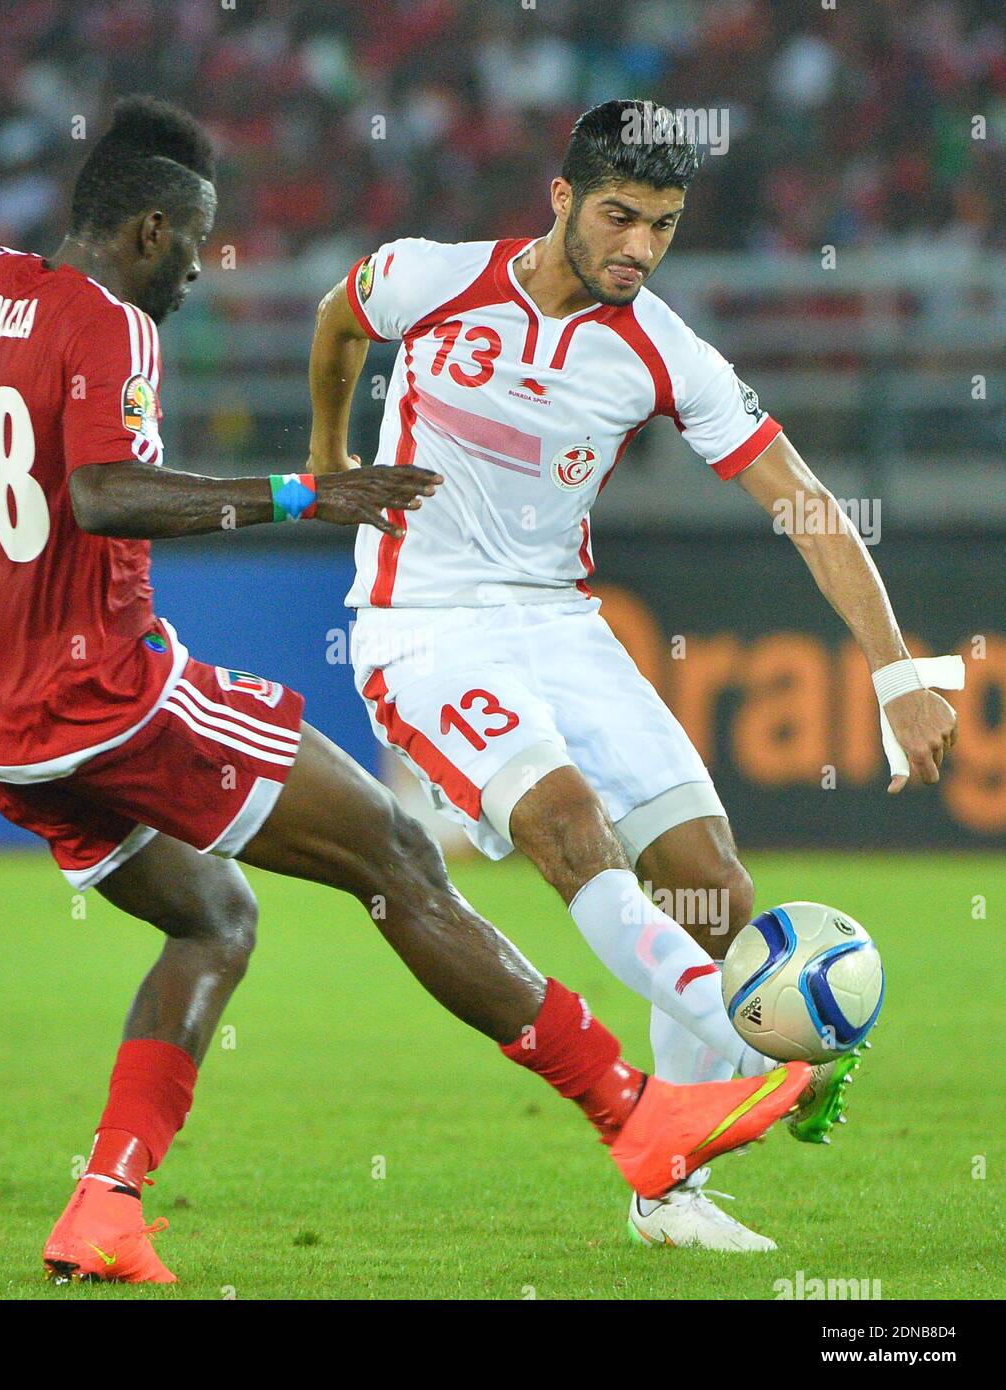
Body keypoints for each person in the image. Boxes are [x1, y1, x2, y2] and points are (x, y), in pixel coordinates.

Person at [0, 95, 807, 1284]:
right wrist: (299, 493)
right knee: (396, 856)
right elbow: (103, 496)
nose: (195, 274)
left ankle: (104, 1207)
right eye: (191, 244)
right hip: (113, 699)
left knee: (214, 918)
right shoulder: (114, 327)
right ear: (143, 234)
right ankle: (636, 1115)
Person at [305, 98, 956, 1250]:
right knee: (567, 827)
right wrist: (328, 457)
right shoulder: (432, 279)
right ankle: (756, 1049)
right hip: (423, 625)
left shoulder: (661, 346)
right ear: (560, 199)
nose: (638, 248)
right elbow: (335, 318)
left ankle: (670, 1197)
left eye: (661, 225)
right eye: (618, 217)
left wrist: (896, 668)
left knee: (716, 888)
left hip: (561, 623)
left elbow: (802, 501)